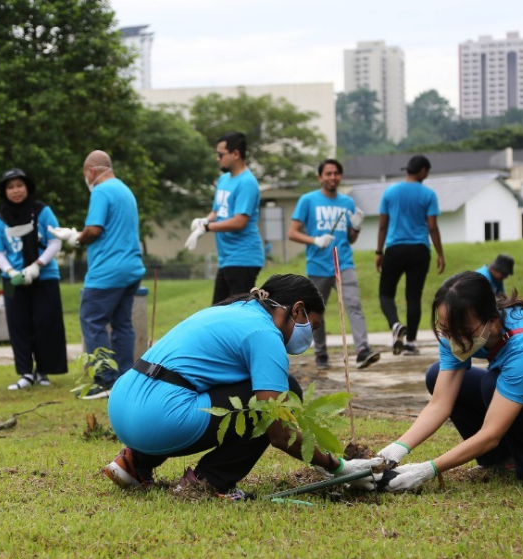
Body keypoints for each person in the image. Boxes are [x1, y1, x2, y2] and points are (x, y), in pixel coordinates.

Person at [102, 274, 381, 498]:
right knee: (286, 392)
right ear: (297, 310)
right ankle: (209, 482)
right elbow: (279, 433)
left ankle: (134, 463)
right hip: (159, 417)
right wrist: (337, 466)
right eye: (314, 326)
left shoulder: (234, 310)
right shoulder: (265, 334)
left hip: (123, 404)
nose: (311, 336)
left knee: (213, 389)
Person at [373, 271, 523, 491]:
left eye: (462, 330)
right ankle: (501, 460)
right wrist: (395, 450)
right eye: (445, 328)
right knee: (437, 375)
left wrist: (427, 470)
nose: (452, 338)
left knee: (492, 383)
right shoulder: (456, 333)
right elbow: (440, 404)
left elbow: (492, 432)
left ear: (491, 320)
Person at [50, 151, 145, 400]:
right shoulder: (125, 190)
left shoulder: (101, 191)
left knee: (93, 321)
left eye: (85, 174)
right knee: (123, 323)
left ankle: (104, 380)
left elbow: (94, 229)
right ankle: (124, 379)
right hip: (131, 267)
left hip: (108, 270)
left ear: (91, 171)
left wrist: (76, 237)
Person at [288, 158, 379, 370]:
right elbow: (292, 233)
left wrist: (356, 227)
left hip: (343, 263)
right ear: (320, 177)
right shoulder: (308, 200)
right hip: (318, 265)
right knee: (315, 311)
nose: (332, 177)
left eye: (336, 173)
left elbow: (351, 239)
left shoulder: (347, 203)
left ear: (340, 177)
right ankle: (320, 352)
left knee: (353, 304)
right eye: (328, 173)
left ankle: (362, 350)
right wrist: (315, 240)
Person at [0, 168, 68, 390]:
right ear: (4, 191)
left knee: (45, 323)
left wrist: (37, 265)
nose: (16, 191)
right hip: (13, 281)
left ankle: (43, 371)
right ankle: (25, 372)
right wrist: (11, 272)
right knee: (18, 325)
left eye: (19, 185)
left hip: (44, 277)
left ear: (27, 187)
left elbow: (56, 242)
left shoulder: (42, 211)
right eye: (10, 187)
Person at [376, 155, 445, 356]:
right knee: (413, 296)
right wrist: (440, 254)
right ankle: (411, 343)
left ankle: (395, 324)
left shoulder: (389, 192)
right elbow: (432, 226)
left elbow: (382, 225)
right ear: (423, 170)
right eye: (427, 171)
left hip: (395, 248)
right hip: (419, 249)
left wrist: (379, 252)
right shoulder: (428, 194)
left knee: (386, 293)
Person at [184, 131, 264, 304]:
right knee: (218, 310)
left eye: (220, 154)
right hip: (227, 258)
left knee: (237, 313)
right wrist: (204, 221)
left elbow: (239, 221)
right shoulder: (224, 179)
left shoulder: (247, 183)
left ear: (235, 154)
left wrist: (206, 228)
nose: (217, 159)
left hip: (243, 257)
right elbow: (217, 212)